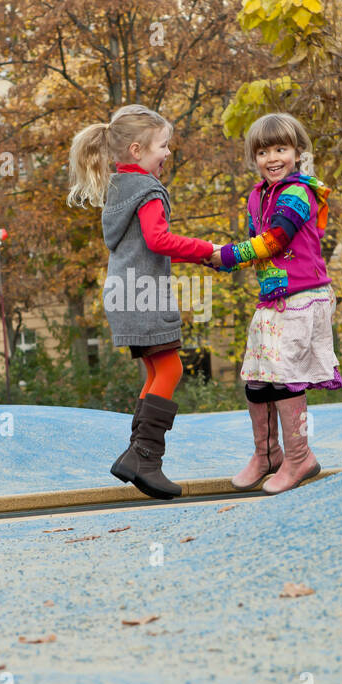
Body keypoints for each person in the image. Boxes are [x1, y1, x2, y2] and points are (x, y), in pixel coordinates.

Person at [68, 104, 218, 499]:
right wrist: (209, 250)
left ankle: (137, 455)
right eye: (162, 146)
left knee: (157, 371)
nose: (168, 153)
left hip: (122, 292)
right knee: (171, 369)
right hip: (143, 294)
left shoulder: (118, 187)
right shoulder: (148, 190)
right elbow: (159, 241)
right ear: (137, 150)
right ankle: (145, 458)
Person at [210, 113, 341, 494]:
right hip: (272, 299)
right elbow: (256, 251)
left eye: (281, 149)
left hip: (304, 296)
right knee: (256, 377)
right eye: (263, 151)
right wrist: (217, 258)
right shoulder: (256, 196)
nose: (272, 158)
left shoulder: (299, 193)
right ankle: (267, 453)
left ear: (297, 152)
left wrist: (229, 254)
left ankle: (300, 458)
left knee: (285, 375)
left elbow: (277, 239)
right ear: (254, 157)